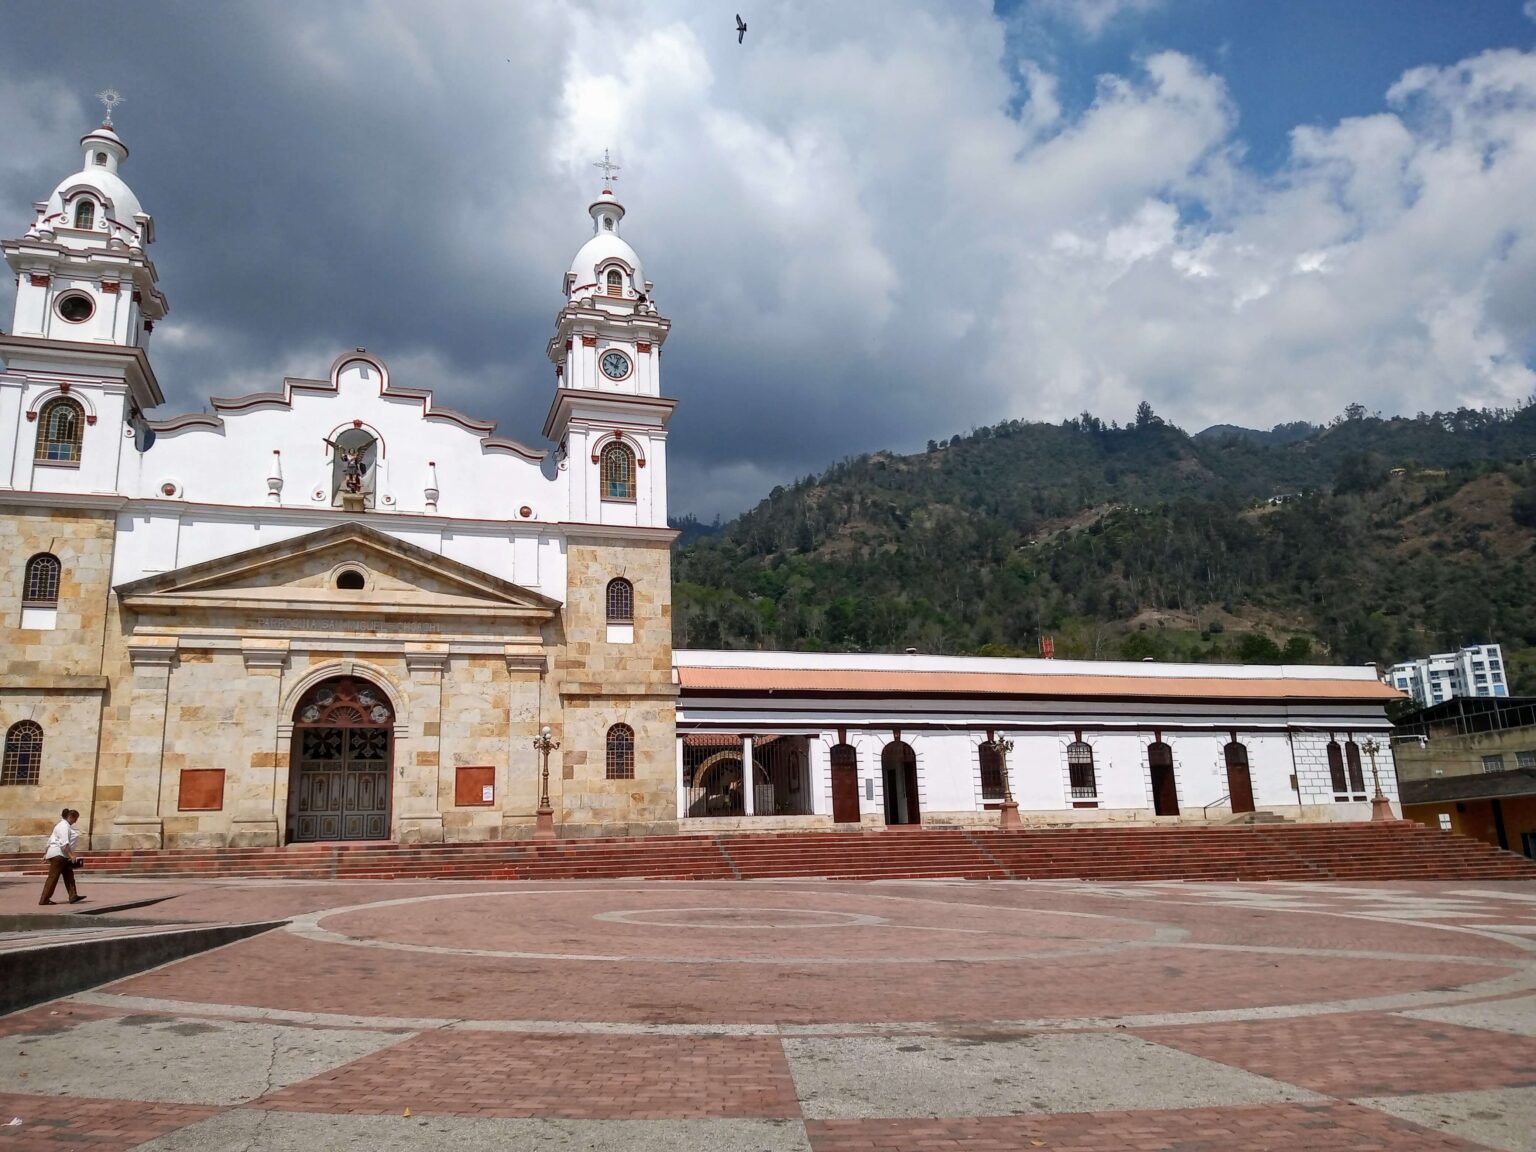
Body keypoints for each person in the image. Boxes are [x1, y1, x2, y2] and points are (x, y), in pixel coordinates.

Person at [39, 807, 84, 906]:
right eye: (75, 818)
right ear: (70, 817)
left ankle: (73, 896)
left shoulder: (62, 825)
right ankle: (44, 899)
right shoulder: (64, 826)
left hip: (60, 855)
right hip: (58, 855)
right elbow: (65, 843)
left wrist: (46, 853)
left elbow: (50, 840)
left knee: (69, 875)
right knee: (53, 877)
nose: (76, 821)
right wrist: (72, 856)